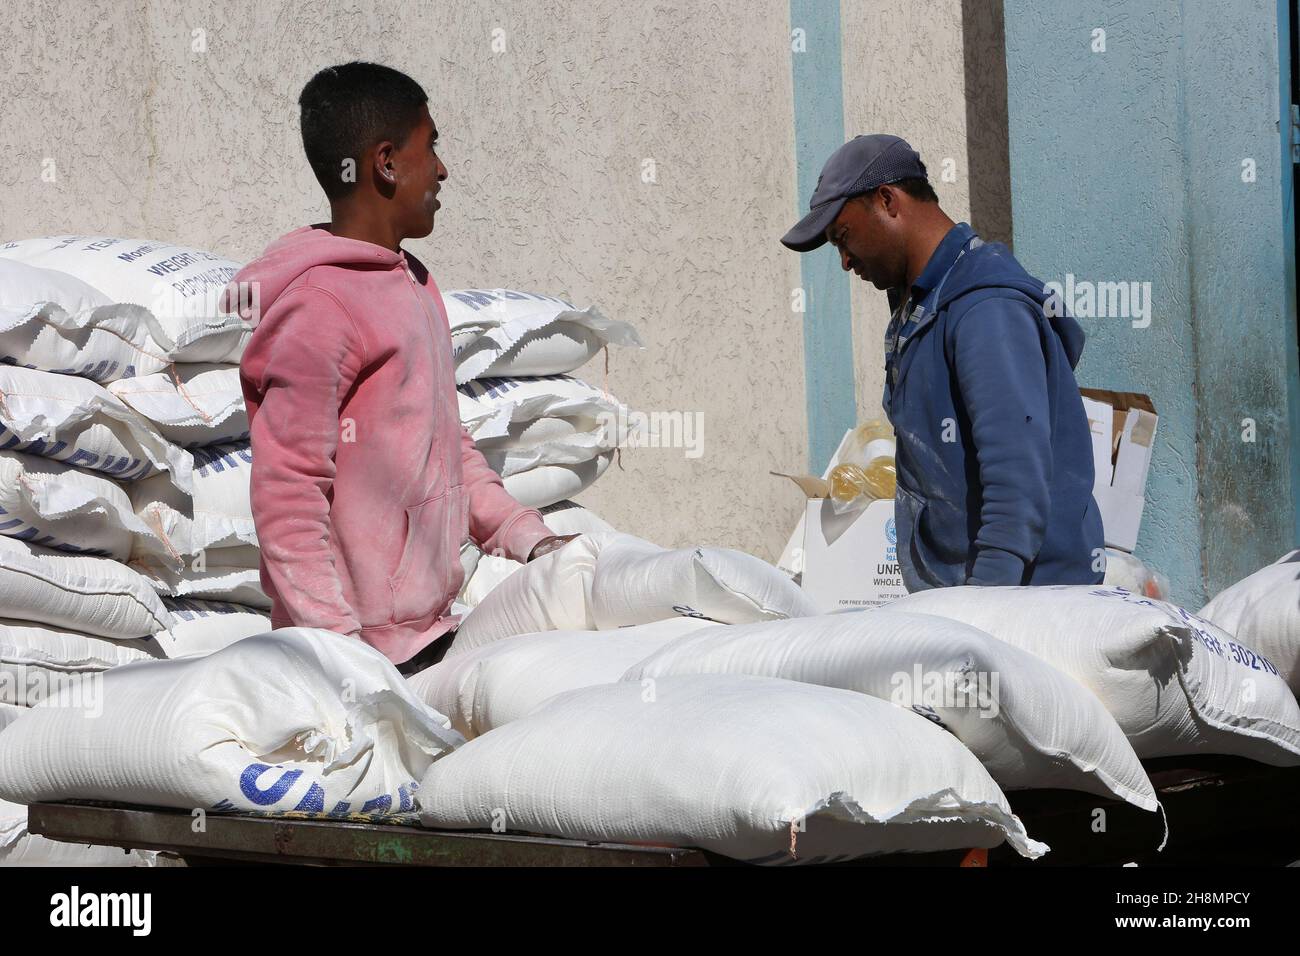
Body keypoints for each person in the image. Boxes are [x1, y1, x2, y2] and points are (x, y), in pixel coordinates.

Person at [226, 62, 575, 676]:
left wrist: (529, 538)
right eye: (431, 145)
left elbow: (447, 447)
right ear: (386, 162)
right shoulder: (320, 306)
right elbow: (288, 491)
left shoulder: (413, 283)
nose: (441, 168)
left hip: (431, 635)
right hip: (362, 659)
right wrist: (340, 651)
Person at [781, 134, 1104, 590]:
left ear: (888, 200)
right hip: (962, 604)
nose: (845, 261)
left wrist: (983, 609)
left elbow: (1017, 480)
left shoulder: (984, 310)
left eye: (844, 237)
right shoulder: (924, 309)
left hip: (1022, 606)